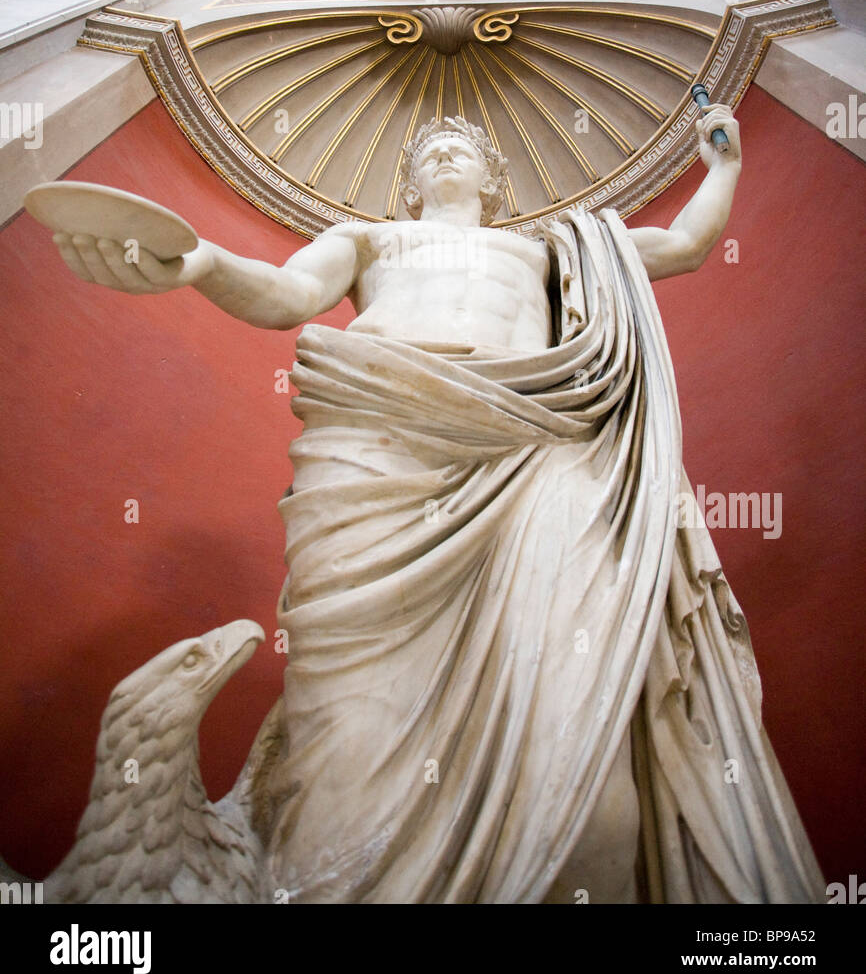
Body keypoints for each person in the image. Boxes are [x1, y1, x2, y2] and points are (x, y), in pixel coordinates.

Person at [52, 103, 825, 904]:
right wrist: (201, 261)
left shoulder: (554, 248)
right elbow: (285, 294)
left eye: (462, 149)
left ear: (495, 181)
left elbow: (687, 245)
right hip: (375, 459)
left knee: (580, 737)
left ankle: (561, 859)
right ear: (407, 184)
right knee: (349, 737)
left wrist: (723, 166)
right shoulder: (369, 240)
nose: (445, 157)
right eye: (430, 151)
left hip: (535, 449)